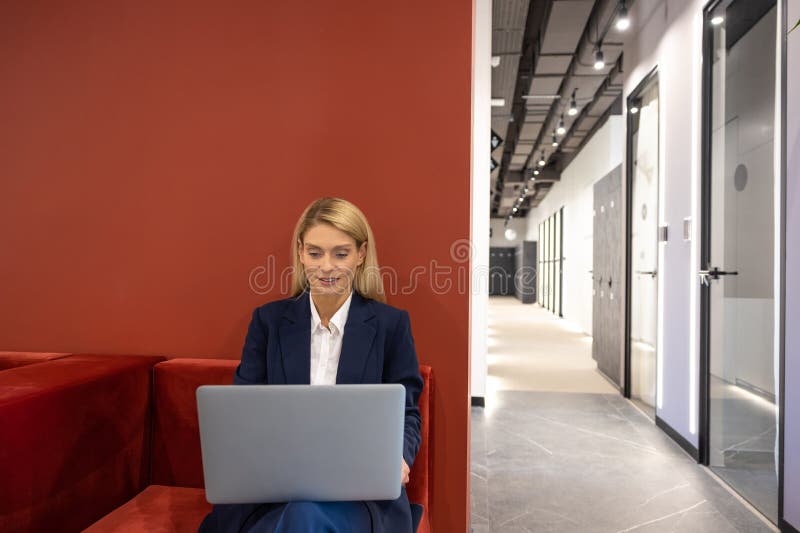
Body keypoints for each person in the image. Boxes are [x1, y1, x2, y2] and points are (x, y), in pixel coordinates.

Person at [198, 197, 424, 533]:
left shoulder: (391, 326)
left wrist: (400, 457)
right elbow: (245, 412)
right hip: (275, 488)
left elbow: (407, 413)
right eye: (315, 253)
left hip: (358, 494)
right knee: (300, 515)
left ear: (361, 254)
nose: (326, 267)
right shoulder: (268, 322)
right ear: (301, 252)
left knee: (304, 516)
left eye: (340, 254)